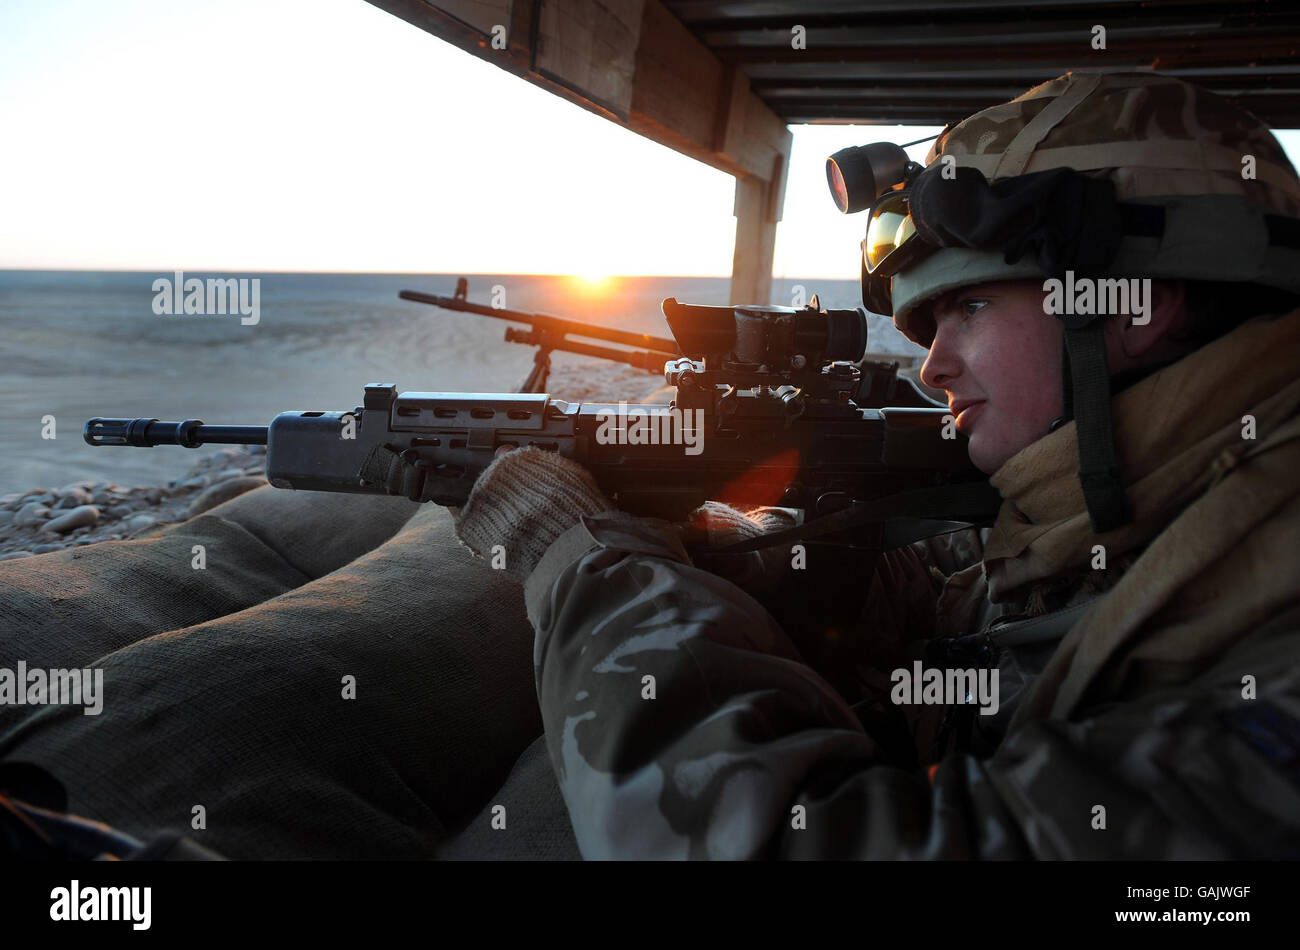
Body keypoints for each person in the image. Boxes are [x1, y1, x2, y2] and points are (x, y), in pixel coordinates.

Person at [449, 70, 1300, 858]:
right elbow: (991, 611)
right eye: (929, 326)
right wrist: (768, 557)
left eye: (970, 306)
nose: (932, 366)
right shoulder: (1140, 506)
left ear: (1134, 304)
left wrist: (587, 571)